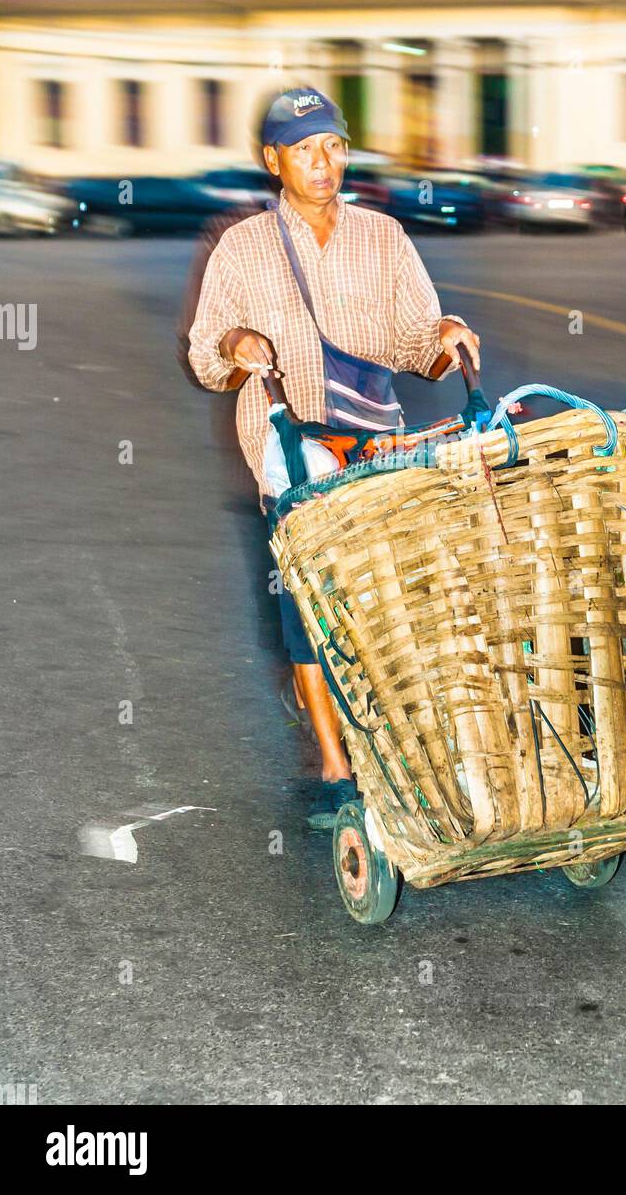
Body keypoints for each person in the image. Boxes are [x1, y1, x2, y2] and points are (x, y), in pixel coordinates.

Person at [189, 87, 480, 828]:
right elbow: (203, 351)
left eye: (333, 147)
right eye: (304, 149)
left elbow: (419, 344)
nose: (323, 163)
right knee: (307, 613)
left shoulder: (384, 238)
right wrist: (232, 344)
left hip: (375, 448)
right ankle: (334, 765)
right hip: (289, 459)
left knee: (390, 601)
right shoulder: (244, 248)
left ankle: (404, 747)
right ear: (272, 160)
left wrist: (447, 338)